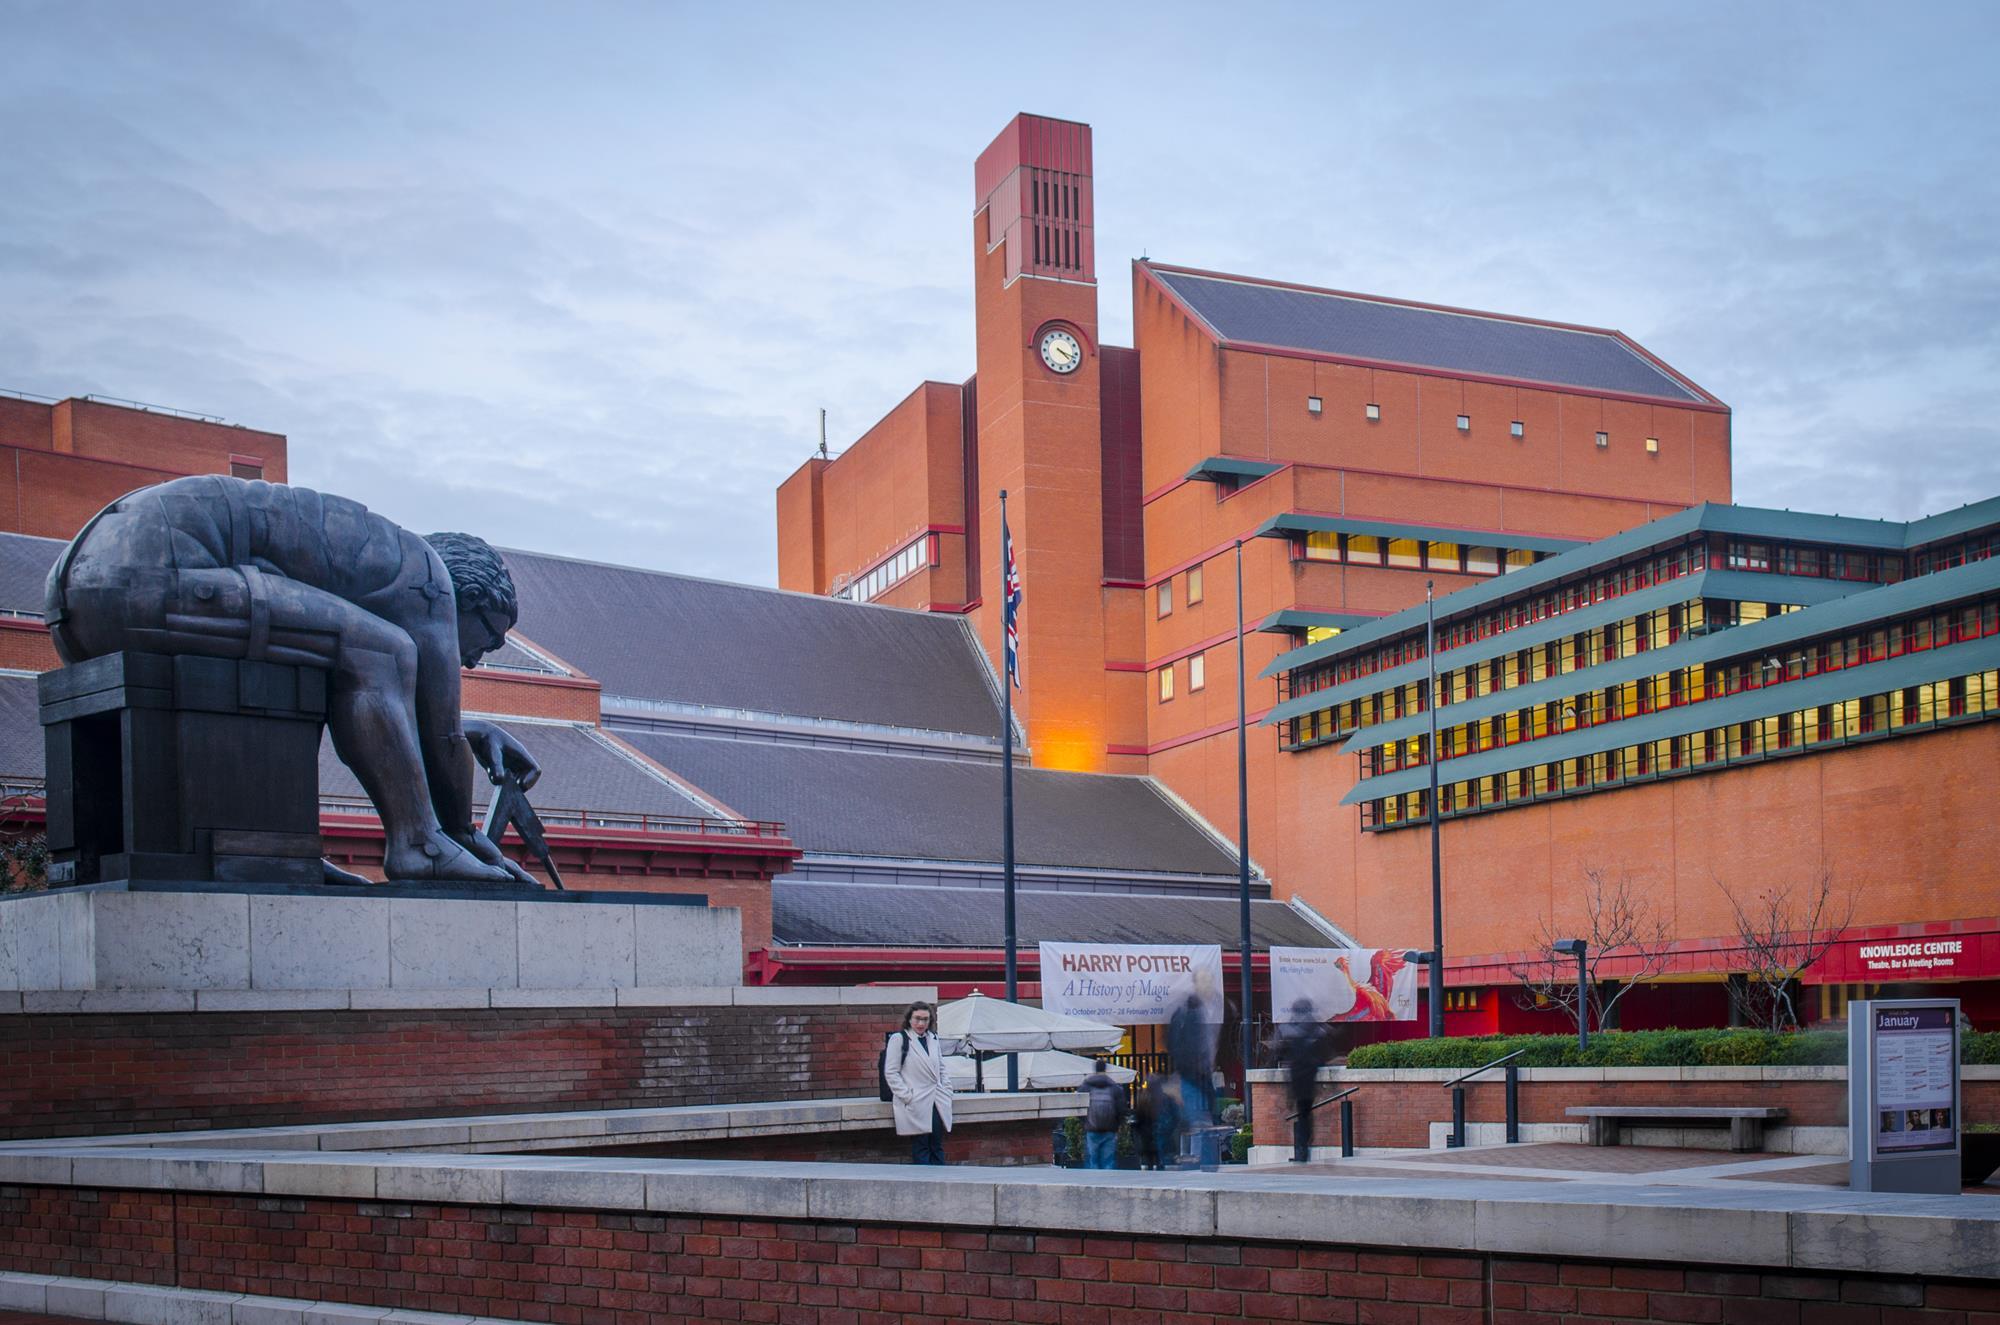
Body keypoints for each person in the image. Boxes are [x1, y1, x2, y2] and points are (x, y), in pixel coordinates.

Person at [45, 475, 539, 886]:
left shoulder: (377, 561)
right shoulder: (428, 577)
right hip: (147, 575)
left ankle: (279, 853)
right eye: (487, 640)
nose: (472, 661)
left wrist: (464, 732)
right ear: (467, 598)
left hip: (80, 600)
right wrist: (461, 834)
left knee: (333, 654)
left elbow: (391, 711)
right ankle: (419, 846)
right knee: (380, 651)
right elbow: (440, 727)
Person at [882, 1000, 953, 1164]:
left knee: (937, 1145)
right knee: (921, 1146)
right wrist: (907, 1096)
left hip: (936, 1099)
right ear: (909, 1019)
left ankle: (940, 1184)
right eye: (917, 1018)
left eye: (925, 1019)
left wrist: (947, 1090)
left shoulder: (933, 1038)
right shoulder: (899, 1039)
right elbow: (891, 1072)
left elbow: (941, 1067)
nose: (921, 1023)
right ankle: (926, 1185)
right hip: (916, 1100)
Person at [1274, 997, 1333, 1162]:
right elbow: (1325, 1053)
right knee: (1305, 1113)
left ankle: (1302, 1150)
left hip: (1295, 1077)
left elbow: (1277, 1051)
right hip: (1310, 1077)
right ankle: (1304, 1147)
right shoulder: (1317, 1028)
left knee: (1301, 1113)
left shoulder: (1289, 1029)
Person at [1077, 1060, 1126, 1170]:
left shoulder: (1086, 1087)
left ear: (1095, 1069)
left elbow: (1079, 1107)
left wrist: (1085, 1122)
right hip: (1110, 1129)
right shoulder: (1114, 1088)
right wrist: (1117, 1125)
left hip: (1091, 1129)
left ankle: (1093, 1184)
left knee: (1092, 1161)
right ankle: (1107, 1184)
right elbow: (1121, 1110)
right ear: (1105, 1069)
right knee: (1108, 1161)